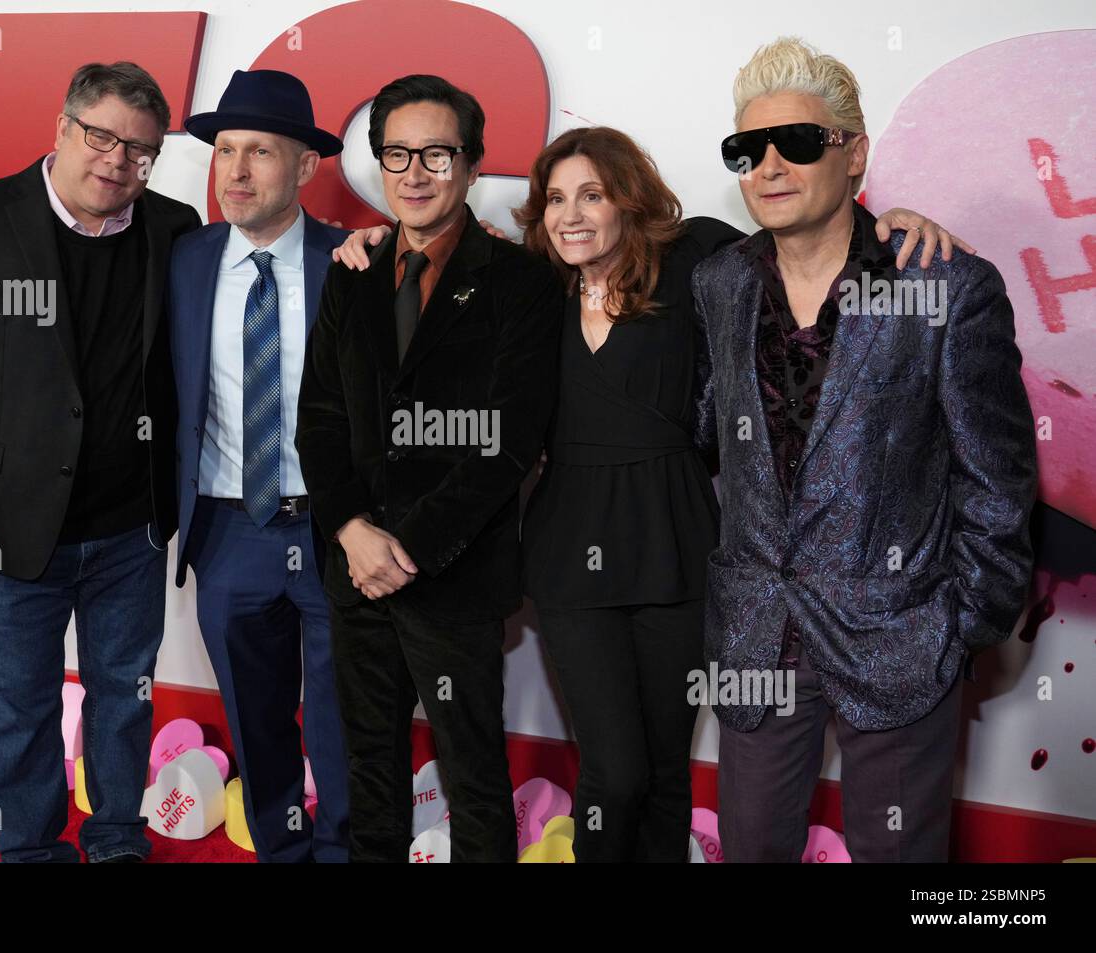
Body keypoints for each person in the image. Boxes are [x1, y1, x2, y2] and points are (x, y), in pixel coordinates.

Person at [335, 122, 965, 862]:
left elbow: (807, 239)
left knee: (666, 771)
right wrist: (373, 245)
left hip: (677, 544)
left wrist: (891, 222)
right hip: (571, 551)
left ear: (628, 202)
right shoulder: (525, 286)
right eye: (557, 198)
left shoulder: (698, 258)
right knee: (615, 770)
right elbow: (433, 262)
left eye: (592, 195)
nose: (571, 214)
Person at [692, 37, 1037, 862]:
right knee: (750, 850)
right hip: (756, 633)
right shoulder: (718, 281)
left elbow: (998, 479)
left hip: (901, 635)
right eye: (747, 150)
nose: (769, 165)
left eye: (799, 142)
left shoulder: (943, 284)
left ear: (854, 153)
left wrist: (956, 625)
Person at [0, 62, 202, 862]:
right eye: (100, 136)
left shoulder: (174, 228)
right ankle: (27, 849)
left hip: (132, 528)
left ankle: (118, 838)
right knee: (20, 704)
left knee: (123, 700)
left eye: (139, 149)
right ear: (61, 128)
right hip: (8, 520)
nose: (116, 160)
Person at [296, 74, 563, 862]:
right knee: (369, 770)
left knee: (473, 775)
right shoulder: (355, 272)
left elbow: (510, 443)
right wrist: (352, 531)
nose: (414, 172)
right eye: (397, 154)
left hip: (452, 574)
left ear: (473, 165)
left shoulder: (522, 282)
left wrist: (401, 548)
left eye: (436, 154)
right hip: (355, 571)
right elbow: (321, 417)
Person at [169, 69, 349, 862]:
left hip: (339, 532)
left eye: (261, 153)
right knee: (255, 721)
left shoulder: (357, 265)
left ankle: (347, 849)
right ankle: (282, 852)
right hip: (231, 530)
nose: (236, 172)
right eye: (225, 151)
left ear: (307, 166)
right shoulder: (180, 262)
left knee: (349, 720)